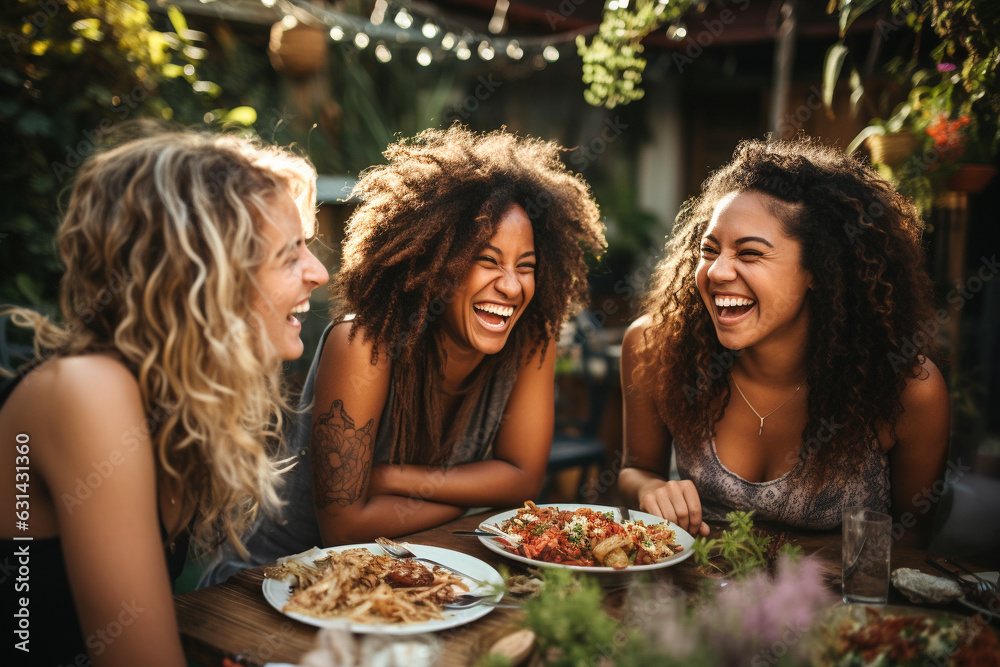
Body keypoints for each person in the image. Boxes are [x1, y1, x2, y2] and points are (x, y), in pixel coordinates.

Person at [199, 125, 605, 586]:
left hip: (402, 577)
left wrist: (391, 479)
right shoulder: (364, 346)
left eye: (525, 267)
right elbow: (344, 528)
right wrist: (471, 494)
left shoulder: (530, 338)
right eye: (487, 261)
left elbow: (523, 481)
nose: (511, 286)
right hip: (273, 584)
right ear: (435, 263)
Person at [0, 128, 329, 666]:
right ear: (202, 281)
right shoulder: (88, 391)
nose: (319, 272)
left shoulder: (184, 402)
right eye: (290, 255)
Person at [618, 138, 949, 545]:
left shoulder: (906, 390)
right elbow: (635, 470)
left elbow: (911, 544)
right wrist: (649, 489)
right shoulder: (655, 348)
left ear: (819, 270)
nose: (717, 272)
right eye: (709, 249)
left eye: (750, 253)